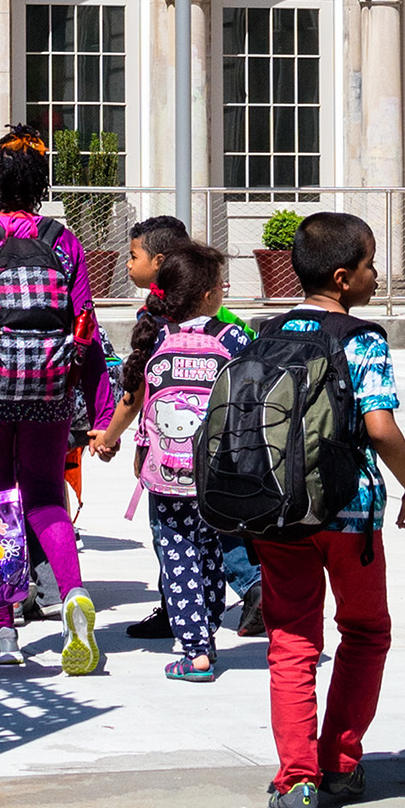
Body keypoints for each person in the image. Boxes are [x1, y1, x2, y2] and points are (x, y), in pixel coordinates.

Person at [244, 209, 405, 808]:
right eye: (373, 265)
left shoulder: (264, 333)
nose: (378, 276)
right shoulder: (363, 338)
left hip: (278, 515)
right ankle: (340, 763)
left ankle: (296, 782)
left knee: (292, 642)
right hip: (350, 516)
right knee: (366, 632)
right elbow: (379, 425)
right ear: (345, 277)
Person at [0, 133, 115, 674]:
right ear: (41, 184)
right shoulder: (65, 241)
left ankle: (2, 631)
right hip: (53, 391)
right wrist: (101, 409)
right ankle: (73, 597)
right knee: (44, 497)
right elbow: (85, 328)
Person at [121, 226, 243, 677]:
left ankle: (195, 650)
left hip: (164, 473)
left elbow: (139, 399)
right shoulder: (232, 340)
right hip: (216, 474)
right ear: (211, 295)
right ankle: (208, 625)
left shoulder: (154, 336)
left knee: (177, 554)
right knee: (210, 550)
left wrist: (127, 444)